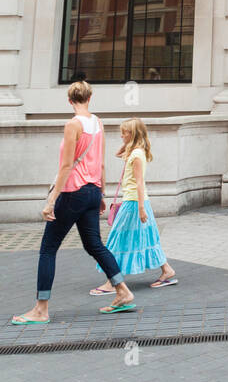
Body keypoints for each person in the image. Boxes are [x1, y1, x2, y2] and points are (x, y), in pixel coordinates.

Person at [12, 81, 135, 323]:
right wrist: (101, 194)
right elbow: (100, 163)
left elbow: (67, 166)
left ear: (69, 100)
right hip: (91, 191)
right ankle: (122, 291)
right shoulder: (98, 123)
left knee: (48, 248)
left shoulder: (72, 125)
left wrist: (51, 201)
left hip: (72, 193)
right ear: (90, 98)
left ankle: (41, 309)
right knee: (94, 244)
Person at [91, 118, 177, 293]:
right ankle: (166, 270)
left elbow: (139, 183)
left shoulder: (137, 155)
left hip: (134, 203)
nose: (121, 135)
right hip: (136, 201)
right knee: (148, 238)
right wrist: (128, 144)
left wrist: (141, 209)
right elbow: (117, 154)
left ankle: (112, 282)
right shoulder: (135, 151)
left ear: (134, 134)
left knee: (117, 241)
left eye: (125, 133)